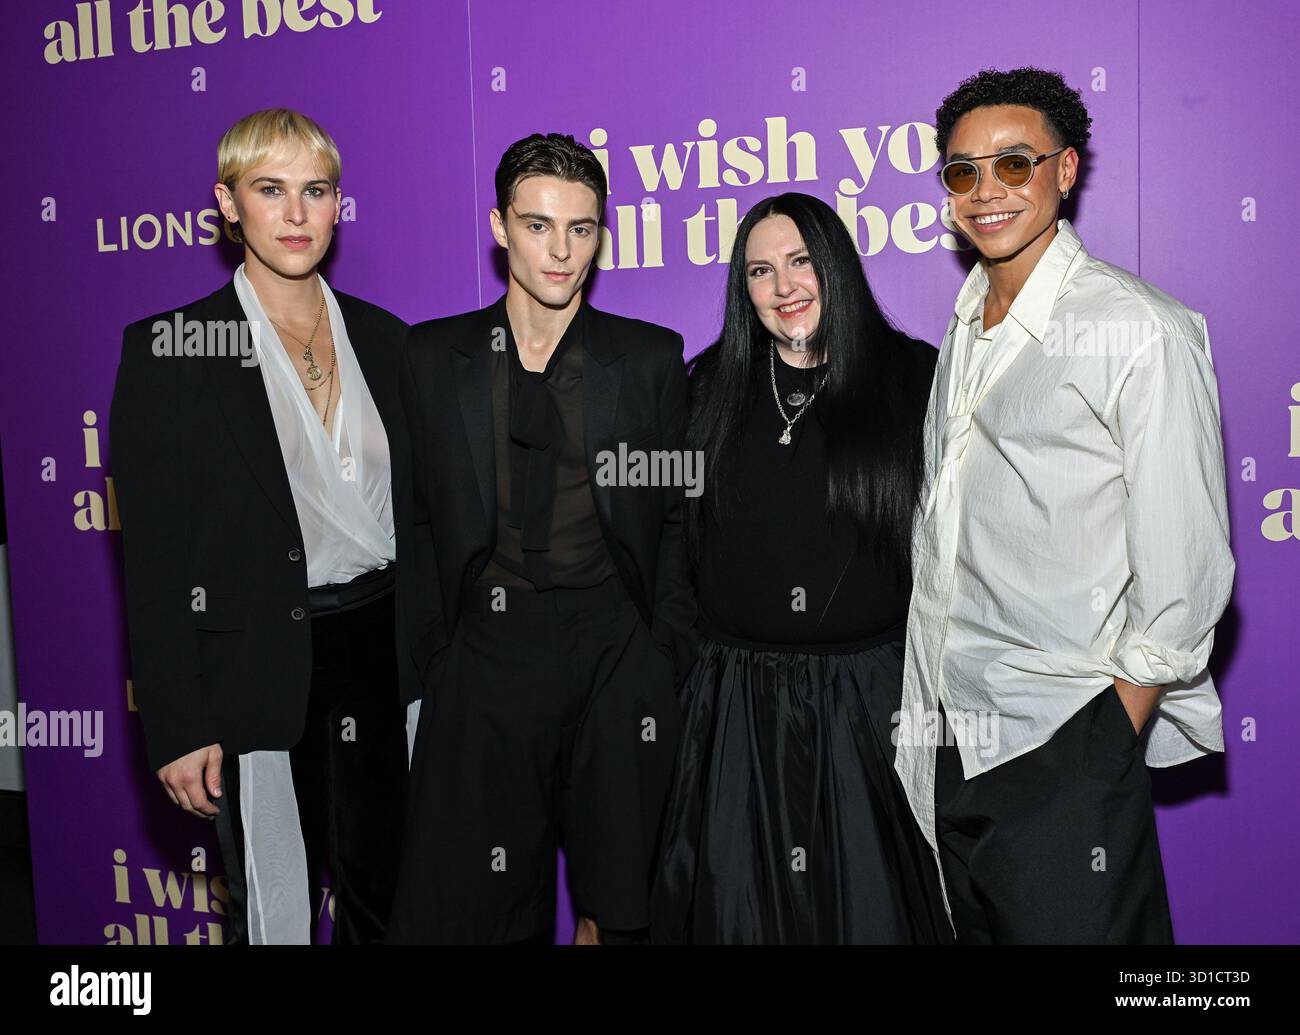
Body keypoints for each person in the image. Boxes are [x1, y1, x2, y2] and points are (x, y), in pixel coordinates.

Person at [896, 68, 1235, 943]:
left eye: (1015, 163)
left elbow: (1187, 570)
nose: (988, 190)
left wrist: (1100, 742)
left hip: (1061, 740)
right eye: (963, 172)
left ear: (1066, 170)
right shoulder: (963, 327)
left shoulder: (1142, 330)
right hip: (945, 731)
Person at [111, 108, 419, 944]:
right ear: (227, 203)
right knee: (275, 910)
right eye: (269, 190)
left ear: (336, 205)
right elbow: (156, 562)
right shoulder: (169, 351)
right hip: (260, 668)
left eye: (314, 191)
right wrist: (178, 725)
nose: (294, 214)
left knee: (390, 900)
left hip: (388, 659)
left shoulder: (390, 344)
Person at [386, 132, 695, 945]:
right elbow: (415, 521)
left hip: (615, 650)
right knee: (472, 905)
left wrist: (661, 656)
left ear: (602, 233)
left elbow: (673, 520)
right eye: (537, 226)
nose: (561, 252)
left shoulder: (649, 357)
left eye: (581, 229)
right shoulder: (431, 353)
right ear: (498, 226)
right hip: (484, 653)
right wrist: (433, 659)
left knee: (620, 899)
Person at [651, 193, 950, 944]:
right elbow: (673, 548)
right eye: (760, 271)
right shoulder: (704, 388)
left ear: (837, 266)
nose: (784, 287)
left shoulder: (912, 380)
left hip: (868, 706)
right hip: (734, 711)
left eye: (801, 262)